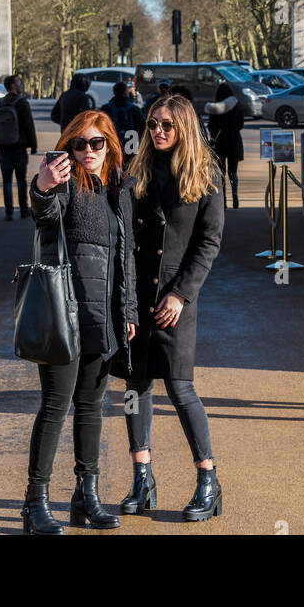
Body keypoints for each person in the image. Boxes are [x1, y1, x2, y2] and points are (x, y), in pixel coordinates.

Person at [23, 111, 138, 535]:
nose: (88, 151)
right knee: (55, 406)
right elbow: (44, 215)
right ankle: (34, 502)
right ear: (68, 146)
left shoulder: (118, 188)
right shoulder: (67, 183)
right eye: (79, 144)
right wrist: (42, 185)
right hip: (63, 312)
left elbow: (126, 256)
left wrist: (128, 312)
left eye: (96, 143)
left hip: (103, 314)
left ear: (109, 144)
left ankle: (85, 496)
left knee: (92, 407)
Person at [121, 94, 225, 522]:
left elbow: (208, 242)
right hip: (138, 295)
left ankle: (208, 481)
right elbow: (123, 238)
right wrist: (125, 301)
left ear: (184, 127)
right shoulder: (136, 171)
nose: (158, 131)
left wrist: (181, 294)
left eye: (167, 124)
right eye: (152, 124)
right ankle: (142, 479)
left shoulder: (207, 175)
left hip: (176, 299)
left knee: (181, 388)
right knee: (135, 387)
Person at [0, 74, 38, 220]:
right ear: (12, 85)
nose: (20, 84)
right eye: (18, 82)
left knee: (6, 181)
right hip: (19, 146)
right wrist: (33, 145)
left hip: (3, 147)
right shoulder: (22, 103)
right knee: (21, 180)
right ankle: (24, 210)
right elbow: (29, 125)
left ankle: (8, 211)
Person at [204, 82, 244, 209]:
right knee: (233, 172)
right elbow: (240, 124)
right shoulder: (236, 105)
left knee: (221, 173)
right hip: (234, 142)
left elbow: (211, 127)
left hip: (220, 143)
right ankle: (235, 195)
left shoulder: (214, 108)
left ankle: (223, 200)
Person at [102, 81, 146, 161]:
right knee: (129, 167)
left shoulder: (106, 108)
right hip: (131, 144)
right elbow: (142, 126)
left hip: (112, 143)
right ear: (126, 93)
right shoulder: (134, 109)